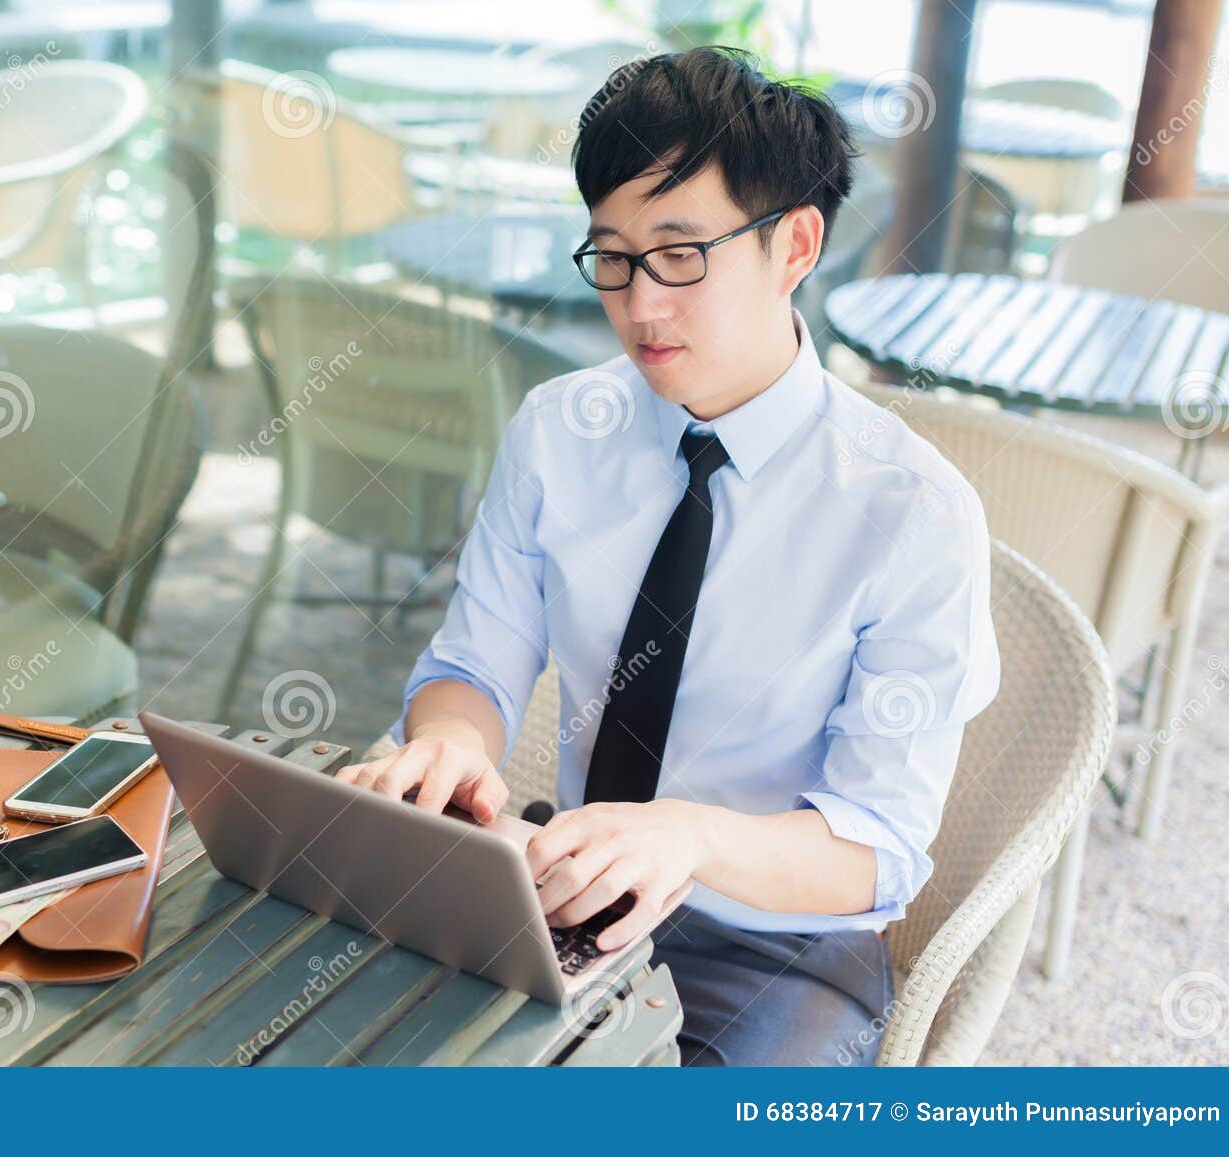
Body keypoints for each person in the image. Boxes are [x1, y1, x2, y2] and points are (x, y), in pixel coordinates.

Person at [337, 47, 1000, 1066]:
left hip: (772, 944)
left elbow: (880, 847)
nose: (640, 306)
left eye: (681, 254)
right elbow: (474, 663)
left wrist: (688, 836)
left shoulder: (911, 512)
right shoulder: (559, 429)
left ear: (795, 245)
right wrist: (453, 747)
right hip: (558, 889)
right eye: (612, 255)